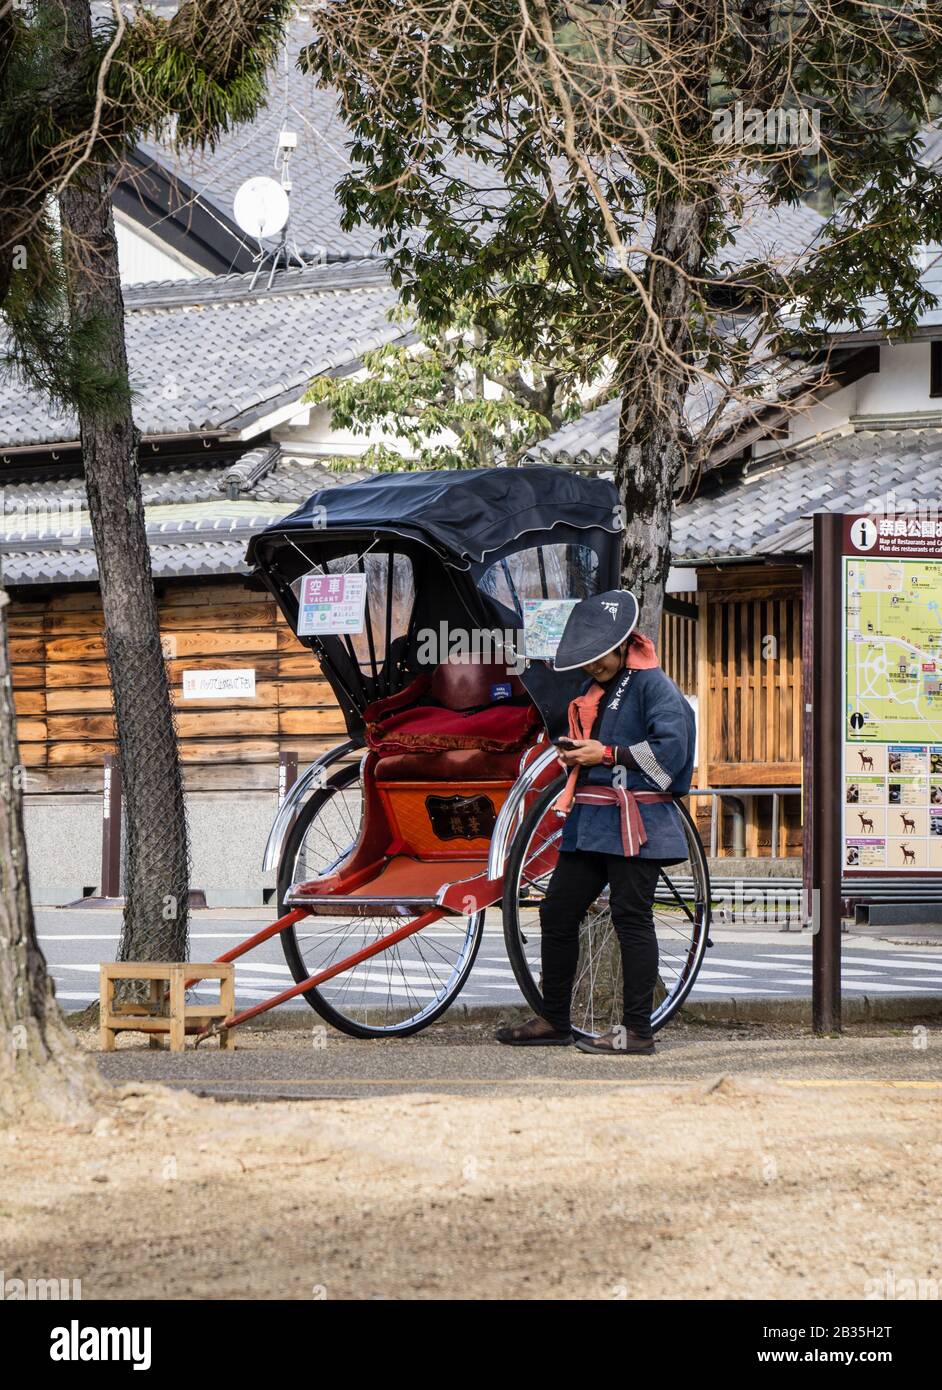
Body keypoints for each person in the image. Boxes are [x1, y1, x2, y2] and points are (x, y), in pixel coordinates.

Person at [496, 589, 695, 1056]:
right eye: (585, 660)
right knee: (557, 911)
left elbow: (672, 753)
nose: (592, 666)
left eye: (599, 657)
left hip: (636, 821)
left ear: (626, 643)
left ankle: (637, 1031)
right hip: (589, 820)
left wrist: (606, 753)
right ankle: (555, 1018)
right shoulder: (592, 692)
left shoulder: (653, 685)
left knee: (631, 919)